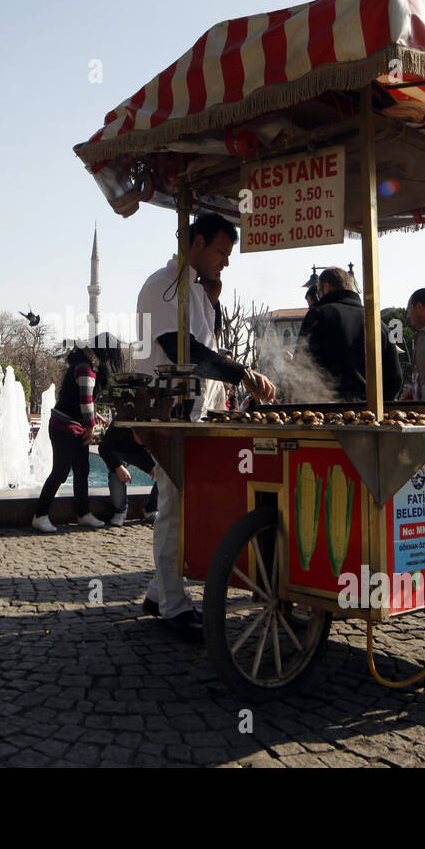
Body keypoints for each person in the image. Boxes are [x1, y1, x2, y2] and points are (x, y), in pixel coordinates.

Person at [134, 212, 276, 641]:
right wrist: (243, 373)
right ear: (196, 242)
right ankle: (174, 605)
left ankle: (161, 591)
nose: (225, 262)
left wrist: (213, 306)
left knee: (182, 503)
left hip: (191, 416)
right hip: (166, 413)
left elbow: (204, 349)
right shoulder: (164, 284)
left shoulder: (196, 293)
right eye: (220, 251)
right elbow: (180, 348)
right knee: (173, 505)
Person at [32, 335, 122, 533]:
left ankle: (83, 513)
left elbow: (78, 397)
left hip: (71, 426)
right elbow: (85, 401)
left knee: (82, 471)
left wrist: (92, 416)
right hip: (65, 428)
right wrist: (90, 427)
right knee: (60, 472)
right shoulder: (85, 367)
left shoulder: (84, 363)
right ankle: (40, 515)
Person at [297, 267, 403, 401]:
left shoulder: (317, 315)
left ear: (326, 287)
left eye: (318, 293)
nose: (318, 297)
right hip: (370, 414)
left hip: (328, 412)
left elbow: (301, 366)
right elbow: (395, 378)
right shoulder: (377, 322)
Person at [98, 424, 158, 526]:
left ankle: (151, 509)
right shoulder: (119, 426)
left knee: (163, 472)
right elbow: (103, 448)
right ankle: (120, 511)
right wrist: (118, 466)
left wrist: (154, 466)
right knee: (116, 473)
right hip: (118, 452)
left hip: (142, 453)